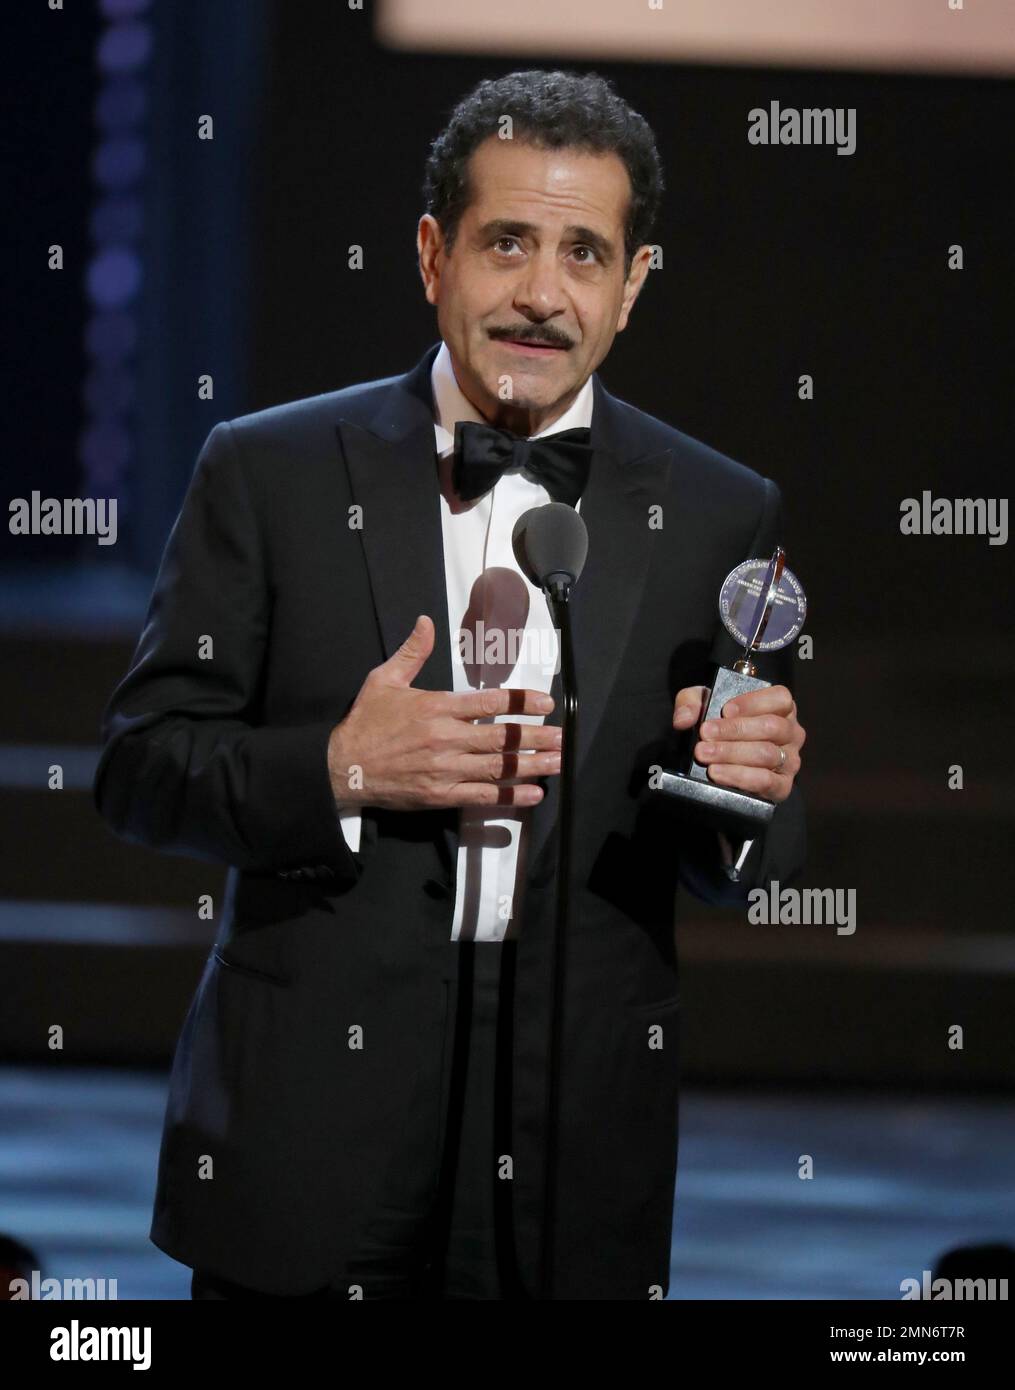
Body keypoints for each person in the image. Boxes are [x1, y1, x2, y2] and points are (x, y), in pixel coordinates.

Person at [93, 68, 807, 1301]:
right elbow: (143, 766)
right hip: (308, 1119)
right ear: (433, 255)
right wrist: (340, 769)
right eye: (507, 243)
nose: (541, 292)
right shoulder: (269, 471)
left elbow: (748, 851)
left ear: (633, 285)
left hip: (576, 1131)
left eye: (584, 253)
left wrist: (745, 790)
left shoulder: (718, 512)